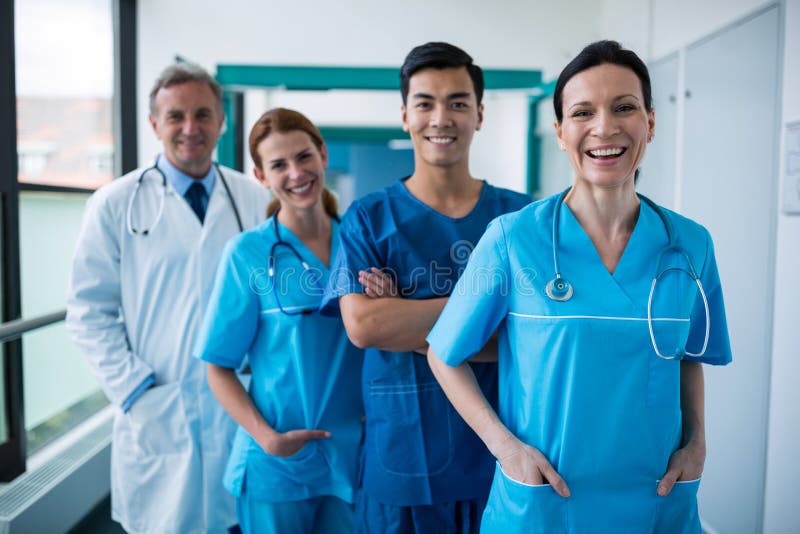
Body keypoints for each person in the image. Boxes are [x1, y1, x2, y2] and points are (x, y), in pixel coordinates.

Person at [426, 40, 733, 533]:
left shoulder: (691, 246)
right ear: (561, 132)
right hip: (544, 503)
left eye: (625, 108)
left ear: (650, 123)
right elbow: (444, 354)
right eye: (583, 112)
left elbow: (689, 355)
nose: (605, 127)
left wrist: (698, 442)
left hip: (656, 503)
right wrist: (506, 450)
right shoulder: (512, 239)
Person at [320, 42, 531, 533]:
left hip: (507, 459)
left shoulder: (521, 219)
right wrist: (488, 314)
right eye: (425, 103)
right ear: (404, 115)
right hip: (403, 470)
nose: (442, 117)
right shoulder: (368, 219)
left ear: (480, 114)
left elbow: (534, 333)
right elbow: (366, 326)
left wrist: (405, 312)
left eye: (458, 102)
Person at [66, 62, 269, 533]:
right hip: (158, 405)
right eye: (175, 116)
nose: (190, 128)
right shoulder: (116, 204)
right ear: (154, 124)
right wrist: (137, 389)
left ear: (222, 121)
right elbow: (87, 311)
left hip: (238, 400)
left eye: (203, 114)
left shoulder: (253, 198)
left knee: (237, 521)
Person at [193, 108, 363, 534]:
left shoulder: (362, 244)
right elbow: (217, 365)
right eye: (278, 165)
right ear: (260, 175)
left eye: (304, 156)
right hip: (278, 460)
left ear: (323, 155)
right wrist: (267, 439)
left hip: (353, 455)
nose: (296, 172)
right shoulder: (247, 254)